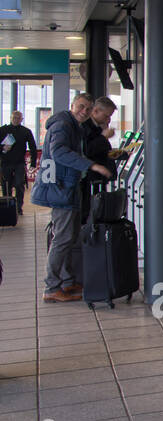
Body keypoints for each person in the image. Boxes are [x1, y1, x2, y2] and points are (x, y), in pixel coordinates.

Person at [31, 93, 112, 303]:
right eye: (81, 107)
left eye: (87, 108)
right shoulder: (62, 125)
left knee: (70, 236)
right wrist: (92, 165)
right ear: (73, 105)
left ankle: (66, 282)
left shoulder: (72, 126)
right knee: (63, 238)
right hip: (61, 188)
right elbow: (58, 152)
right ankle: (52, 287)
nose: (84, 112)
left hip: (68, 186)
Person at [79, 96, 118, 222]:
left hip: (98, 178)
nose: (108, 119)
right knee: (89, 212)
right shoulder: (85, 127)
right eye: (106, 116)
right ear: (95, 111)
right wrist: (103, 137)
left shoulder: (96, 127)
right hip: (90, 179)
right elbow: (86, 150)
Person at [0, 111, 38, 215]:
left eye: (18, 117)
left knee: (19, 184)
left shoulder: (26, 131)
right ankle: (6, 207)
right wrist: (2, 148)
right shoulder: (3, 130)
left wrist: (33, 163)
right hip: (5, 163)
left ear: (22, 119)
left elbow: (33, 148)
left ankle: (18, 207)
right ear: (10, 118)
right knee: (5, 185)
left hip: (19, 163)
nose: (16, 119)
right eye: (14, 117)